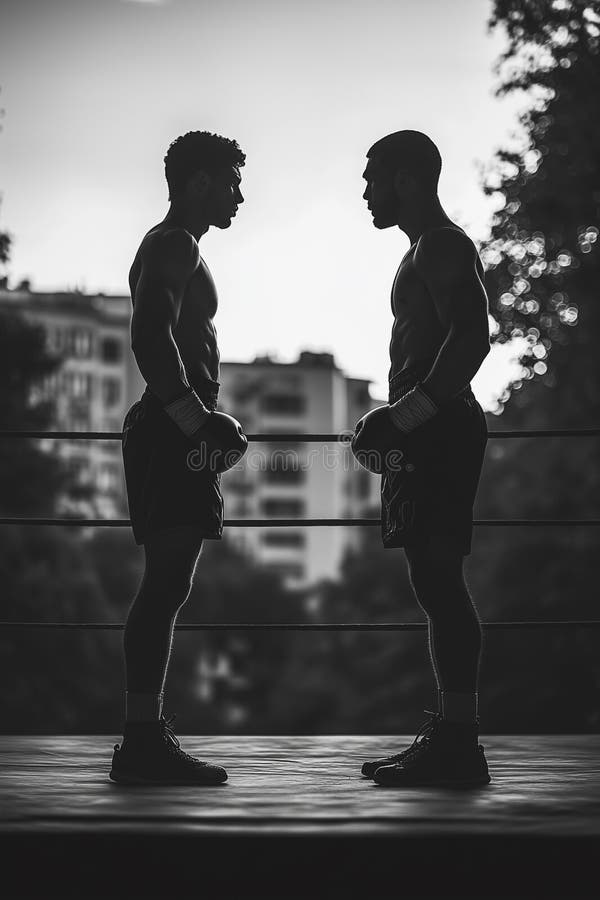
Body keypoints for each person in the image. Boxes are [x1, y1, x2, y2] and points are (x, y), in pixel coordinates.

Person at [354, 130, 491, 787]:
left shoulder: (441, 245)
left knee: (440, 580)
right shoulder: (419, 250)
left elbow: (472, 338)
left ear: (406, 179)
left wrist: (401, 418)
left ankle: (460, 744)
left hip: (439, 432)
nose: (365, 192)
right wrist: (394, 424)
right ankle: (453, 734)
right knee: (432, 583)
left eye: (373, 178)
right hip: (421, 436)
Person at [109, 131, 246, 785]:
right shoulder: (173, 244)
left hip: (174, 434)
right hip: (170, 435)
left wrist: (203, 428)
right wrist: (199, 425)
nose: (239, 197)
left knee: (168, 586)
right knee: (163, 586)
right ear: (199, 183)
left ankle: (142, 736)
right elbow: (148, 337)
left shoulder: (176, 248)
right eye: (231, 183)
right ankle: (140, 742)